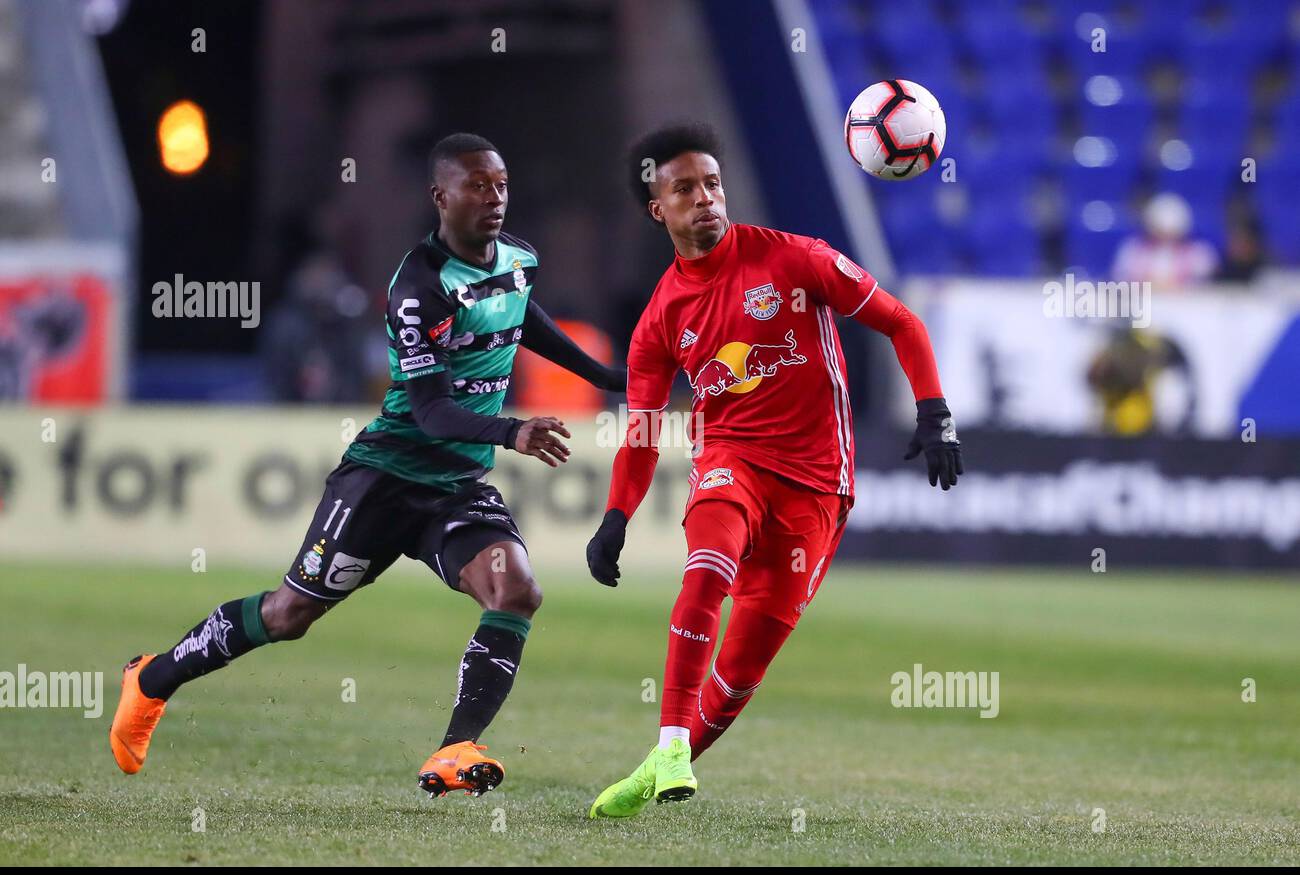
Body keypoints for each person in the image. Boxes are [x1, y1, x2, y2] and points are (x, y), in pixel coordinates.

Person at [109, 133, 624, 798]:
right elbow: (432, 412)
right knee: (288, 615)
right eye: (477, 185)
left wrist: (609, 373)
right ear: (441, 196)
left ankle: (454, 749)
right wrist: (512, 430)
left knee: (517, 589)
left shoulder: (518, 258)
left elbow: (524, 318)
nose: (494, 197)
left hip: (456, 488)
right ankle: (151, 680)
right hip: (386, 479)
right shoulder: (419, 286)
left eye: (500, 184)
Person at [585, 124, 961, 818]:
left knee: (738, 675)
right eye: (685, 189)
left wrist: (933, 411)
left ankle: (658, 767)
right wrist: (616, 516)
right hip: (731, 460)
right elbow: (641, 433)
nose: (705, 198)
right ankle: (669, 740)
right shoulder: (659, 320)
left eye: (712, 183)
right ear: (657, 210)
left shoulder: (794, 258)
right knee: (706, 572)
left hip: (819, 483)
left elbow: (902, 321)